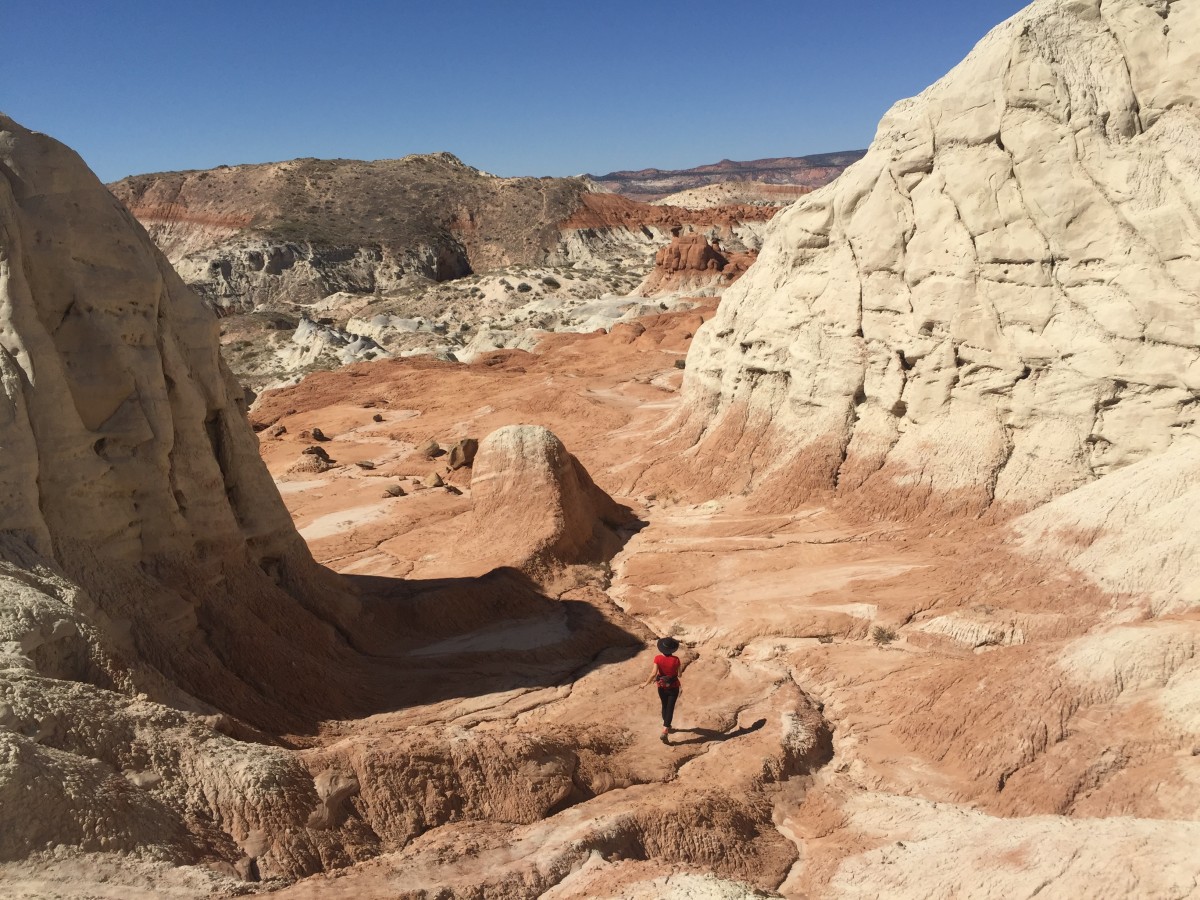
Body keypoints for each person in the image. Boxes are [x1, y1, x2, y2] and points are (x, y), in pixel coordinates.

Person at [643, 637, 683, 743]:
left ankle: (666, 725)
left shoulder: (657, 658)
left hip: (661, 686)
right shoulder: (676, 659)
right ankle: (665, 729)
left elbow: (653, 673)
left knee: (664, 705)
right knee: (670, 707)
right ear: (673, 650)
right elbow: (680, 674)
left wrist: (645, 683)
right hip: (673, 686)